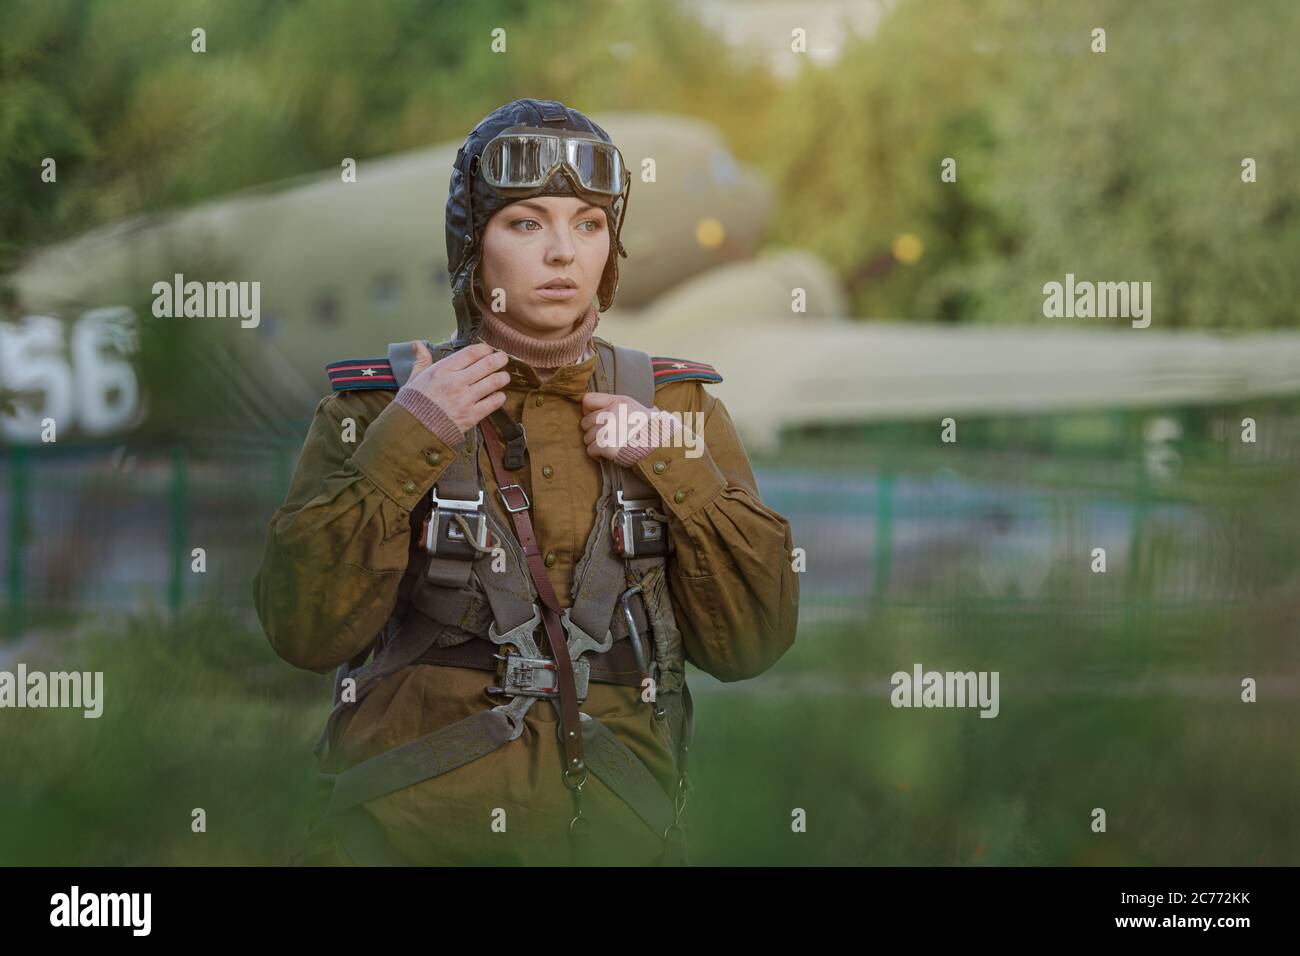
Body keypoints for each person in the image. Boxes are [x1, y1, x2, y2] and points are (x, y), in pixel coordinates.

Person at [253, 98, 799, 866]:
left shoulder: (677, 407)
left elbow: (753, 644)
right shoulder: (375, 405)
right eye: (526, 223)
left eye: (588, 224)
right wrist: (408, 438)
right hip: (408, 836)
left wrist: (674, 464)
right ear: (473, 244)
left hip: (614, 835)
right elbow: (301, 631)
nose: (562, 254)